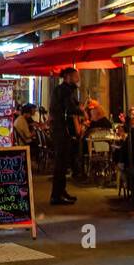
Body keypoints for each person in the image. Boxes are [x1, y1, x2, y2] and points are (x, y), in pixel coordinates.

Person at [49, 67, 83, 205]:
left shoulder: (61, 90)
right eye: (76, 76)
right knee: (61, 164)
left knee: (62, 164)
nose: (78, 79)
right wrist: (80, 109)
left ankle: (61, 192)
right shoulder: (65, 91)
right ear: (68, 77)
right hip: (63, 131)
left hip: (59, 130)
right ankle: (57, 195)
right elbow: (70, 108)